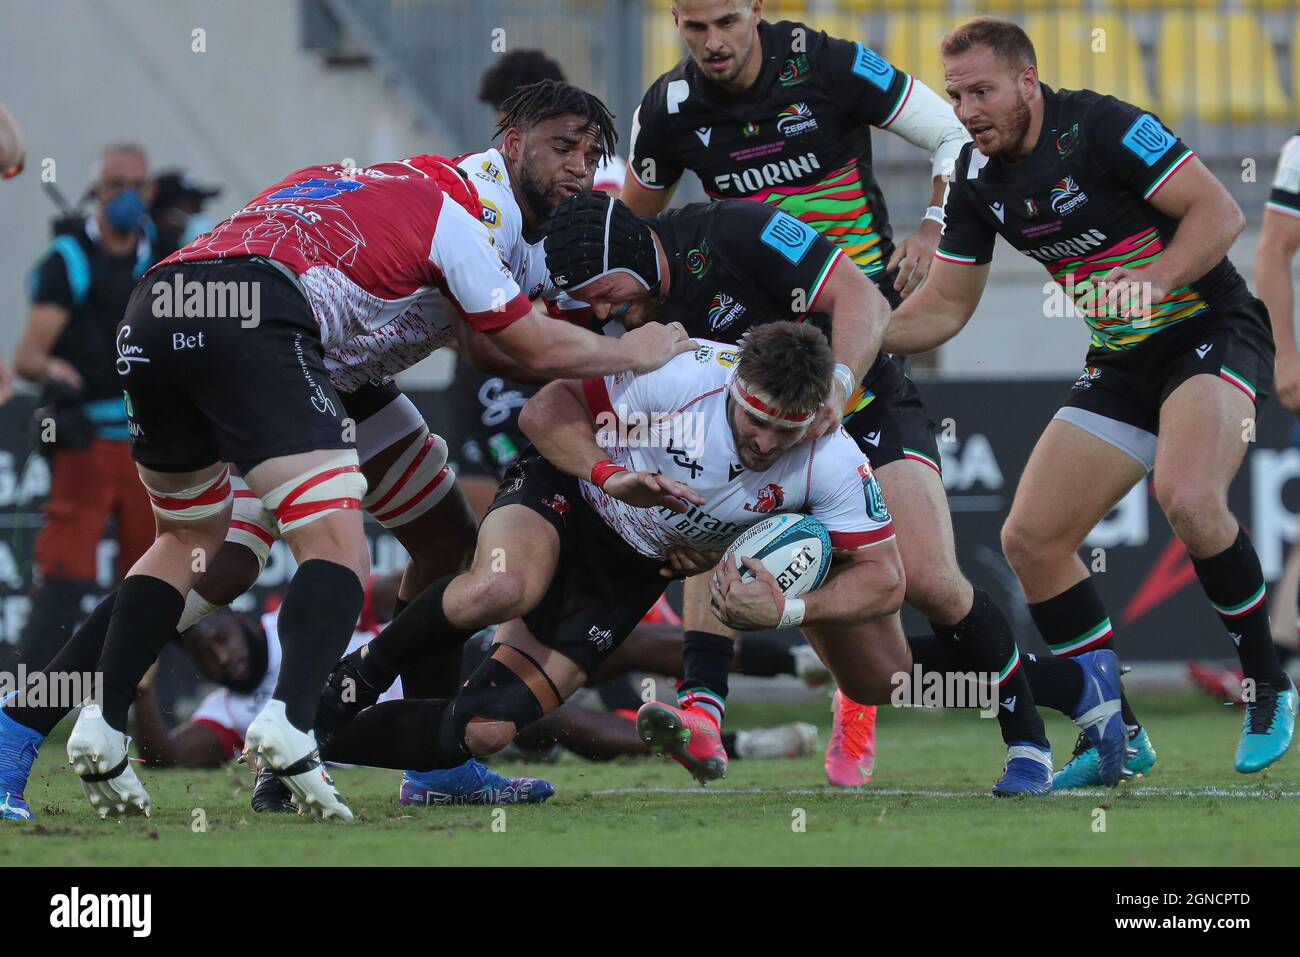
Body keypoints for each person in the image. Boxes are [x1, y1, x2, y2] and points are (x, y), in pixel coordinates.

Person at [0, 152, 693, 823]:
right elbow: (504, 345)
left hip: (311, 361)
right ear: (514, 145)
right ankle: (39, 724)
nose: (575, 166)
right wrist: (627, 349)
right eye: (563, 146)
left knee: (445, 541)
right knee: (238, 559)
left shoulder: (471, 204)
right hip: (284, 358)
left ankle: (434, 766)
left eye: (586, 153)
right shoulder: (473, 216)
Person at [314, 322, 1119, 796]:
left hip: (630, 572)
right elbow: (544, 408)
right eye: (754, 418)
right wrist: (606, 469)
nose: (763, 440)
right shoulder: (684, 372)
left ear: (818, 417)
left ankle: (309, 741)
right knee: (501, 585)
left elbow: (886, 579)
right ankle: (352, 677)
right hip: (570, 495)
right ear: (738, 384)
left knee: (486, 728)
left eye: (785, 429)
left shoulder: (833, 460)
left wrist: (791, 611)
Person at [541, 189, 1128, 791]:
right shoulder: (635, 320)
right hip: (767, 446)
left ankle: (1025, 742)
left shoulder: (737, 228)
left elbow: (864, 300)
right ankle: (1077, 684)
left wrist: (839, 387)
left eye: (604, 294)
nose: (603, 311)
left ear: (630, 256)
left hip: (863, 414)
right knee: (877, 678)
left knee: (926, 580)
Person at [883, 17, 1297, 784]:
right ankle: (1119, 732)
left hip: (1211, 331)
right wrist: (854, 336)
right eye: (955, 95)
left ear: (1027, 83)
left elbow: (1221, 214)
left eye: (982, 91)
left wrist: (1158, 277)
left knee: (1188, 494)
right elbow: (944, 306)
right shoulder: (976, 175)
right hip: (1122, 360)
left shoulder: (1104, 125)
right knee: (1031, 538)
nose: (967, 110)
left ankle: (1268, 686)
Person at [621, 0, 1019, 788]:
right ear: (674, 20)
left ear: (758, 10)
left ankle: (891, 696)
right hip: (760, 371)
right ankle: (703, 705)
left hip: (854, 356)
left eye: (728, 21)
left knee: (931, 585)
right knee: (713, 490)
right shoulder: (668, 108)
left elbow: (950, 134)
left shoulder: (828, 64)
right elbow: (627, 240)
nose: (713, 43)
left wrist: (936, 222)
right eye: (694, 27)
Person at [13, 143, 159, 670]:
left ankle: (138, 710)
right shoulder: (69, 260)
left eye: (136, 185)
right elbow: (28, 356)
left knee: (152, 578)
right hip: (86, 444)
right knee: (66, 574)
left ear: (150, 191)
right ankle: (26, 705)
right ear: (97, 191)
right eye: (114, 185)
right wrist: (56, 371)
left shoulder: (163, 252)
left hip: (153, 444)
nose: (126, 196)